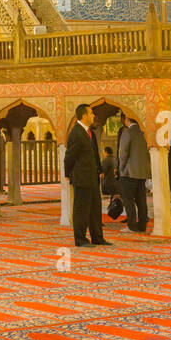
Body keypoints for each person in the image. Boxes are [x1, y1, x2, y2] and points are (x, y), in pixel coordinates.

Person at [64, 104, 110, 247]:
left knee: (95, 209)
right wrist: (68, 173)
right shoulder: (76, 133)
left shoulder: (89, 132)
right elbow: (69, 156)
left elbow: (95, 153)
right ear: (84, 116)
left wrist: (100, 170)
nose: (93, 116)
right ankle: (80, 239)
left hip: (92, 176)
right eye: (91, 113)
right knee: (81, 209)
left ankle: (98, 237)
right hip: (81, 177)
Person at [117, 113, 150, 233]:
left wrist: (121, 170)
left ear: (126, 119)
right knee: (141, 200)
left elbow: (123, 154)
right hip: (142, 172)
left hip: (129, 173)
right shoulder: (143, 132)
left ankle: (132, 225)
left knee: (128, 200)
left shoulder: (127, 132)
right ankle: (142, 225)